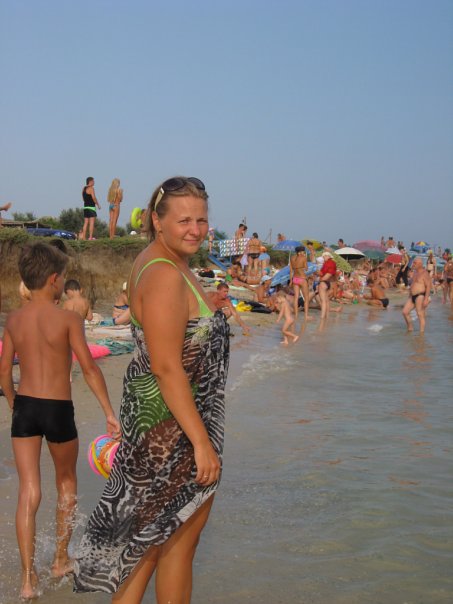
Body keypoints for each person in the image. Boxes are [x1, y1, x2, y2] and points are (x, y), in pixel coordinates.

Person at [74, 176, 230, 602]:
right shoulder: (163, 274)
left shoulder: (166, 262)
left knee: (146, 547)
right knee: (172, 546)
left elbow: (174, 334)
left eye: (201, 219)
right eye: (184, 220)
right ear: (157, 221)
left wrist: (208, 311)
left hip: (161, 421)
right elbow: (165, 367)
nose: (195, 229)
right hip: (173, 428)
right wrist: (201, 443)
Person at [0, 242, 120, 600]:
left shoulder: (14, 319)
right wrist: (108, 412)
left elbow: (4, 372)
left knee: (29, 490)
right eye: (63, 276)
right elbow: (89, 368)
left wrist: (14, 404)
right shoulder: (69, 319)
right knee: (66, 481)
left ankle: (27, 581)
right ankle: (60, 560)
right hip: (57, 409)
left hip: (25, 408)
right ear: (54, 280)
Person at [402, 257, 432, 333]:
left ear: (420, 264)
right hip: (412, 296)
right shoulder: (415, 273)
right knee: (405, 312)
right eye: (413, 262)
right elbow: (413, 284)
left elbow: (428, 286)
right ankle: (410, 328)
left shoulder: (425, 273)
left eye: (415, 263)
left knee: (419, 313)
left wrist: (426, 299)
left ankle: (421, 334)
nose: (413, 264)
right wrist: (410, 295)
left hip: (420, 295)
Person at [290, 245, 310, 321]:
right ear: (300, 252)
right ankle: (306, 316)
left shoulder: (292, 258)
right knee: (306, 298)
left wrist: (291, 281)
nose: (303, 253)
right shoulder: (303, 258)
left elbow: (291, 271)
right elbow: (306, 268)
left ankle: (296, 315)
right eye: (303, 252)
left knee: (296, 298)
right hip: (302, 278)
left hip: (295, 279)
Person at [318, 252, 337, 319]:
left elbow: (328, 274)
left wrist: (320, 280)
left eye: (324, 256)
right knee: (327, 300)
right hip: (328, 283)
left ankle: (322, 318)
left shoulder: (327, 263)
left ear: (328, 256)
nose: (323, 257)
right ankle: (327, 317)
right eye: (323, 256)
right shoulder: (333, 263)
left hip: (324, 282)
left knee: (323, 301)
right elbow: (332, 274)